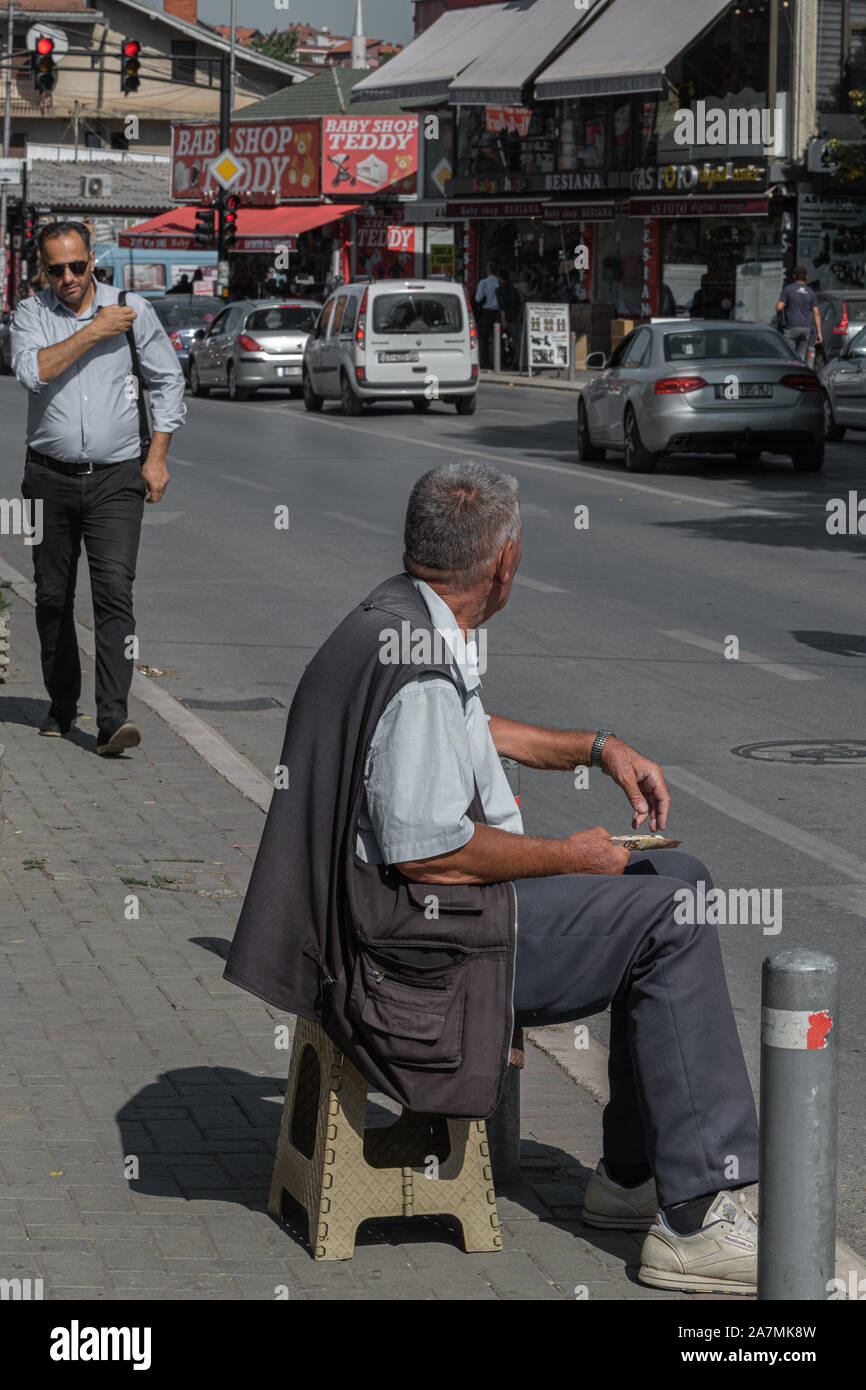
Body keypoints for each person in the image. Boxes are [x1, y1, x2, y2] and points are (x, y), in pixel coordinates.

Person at [224, 459, 760, 1296]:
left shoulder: (402, 619)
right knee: (673, 915)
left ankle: (633, 1175)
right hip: (420, 957)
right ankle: (694, 1222)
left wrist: (597, 748)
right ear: (504, 562)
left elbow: (470, 727)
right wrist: (572, 856)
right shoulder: (420, 666)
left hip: (415, 923)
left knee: (677, 874)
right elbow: (429, 852)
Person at [11, 220, 186, 755]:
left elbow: (168, 380)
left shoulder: (131, 310)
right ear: (43, 270)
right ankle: (62, 703)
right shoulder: (31, 314)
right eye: (55, 269)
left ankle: (113, 719)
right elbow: (31, 371)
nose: (67, 278)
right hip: (46, 478)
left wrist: (157, 456)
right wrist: (93, 330)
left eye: (76, 265)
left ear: (92, 261)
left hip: (117, 478)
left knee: (114, 593)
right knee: (51, 597)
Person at [777, 266, 823, 361]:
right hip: (806, 328)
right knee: (801, 355)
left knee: (788, 354)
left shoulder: (788, 289)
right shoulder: (811, 292)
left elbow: (779, 307)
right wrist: (819, 333)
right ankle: (799, 367)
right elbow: (816, 312)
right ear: (806, 277)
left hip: (791, 327)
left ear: (794, 276)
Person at [473, 262, 500, 368]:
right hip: (497, 312)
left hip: (486, 311)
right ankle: (496, 361)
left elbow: (478, 298)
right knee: (496, 338)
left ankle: (484, 361)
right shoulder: (499, 282)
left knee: (483, 338)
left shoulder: (483, 282)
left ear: (487, 271)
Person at [496, 268, 523, 368]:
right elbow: (518, 305)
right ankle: (516, 362)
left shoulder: (499, 290)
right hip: (514, 319)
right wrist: (519, 320)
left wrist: (503, 320)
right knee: (516, 342)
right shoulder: (515, 290)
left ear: (500, 278)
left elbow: (501, 306)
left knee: (498, 340)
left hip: (503, 319)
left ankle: (500, 361)